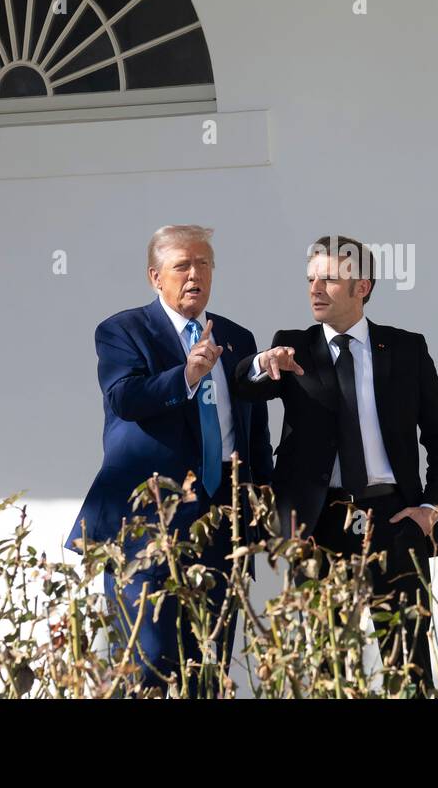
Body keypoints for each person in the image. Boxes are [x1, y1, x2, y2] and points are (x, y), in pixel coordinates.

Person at [233, 234, 438, 694]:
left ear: (363, 287)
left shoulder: (406, 349)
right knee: (323, 668)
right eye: (311, 279)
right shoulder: (291, 348)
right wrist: (261, 362)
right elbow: (247, 386)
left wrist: (432, 509)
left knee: (409, 667)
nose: (315, 288)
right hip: (319, 525)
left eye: (330, 279)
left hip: (395, 520)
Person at [65, 224, 272, 694]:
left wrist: (261, 511)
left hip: (221, 530)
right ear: (155, 277)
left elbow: (251, 430)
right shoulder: (122, 330)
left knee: (210, 666)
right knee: (147, 667)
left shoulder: (237, 337)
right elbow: (125, 398)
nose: (195, 274)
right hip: (144, 530)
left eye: (204, 264)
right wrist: (187, 374)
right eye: (182, 265)